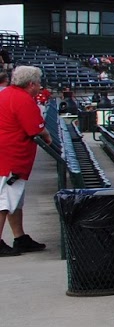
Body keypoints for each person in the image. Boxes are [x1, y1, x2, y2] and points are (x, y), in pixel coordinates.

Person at [0, 65, 54, 255]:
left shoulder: (7, 93)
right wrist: (48, 137)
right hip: (10, 157)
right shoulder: (22, 99)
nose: (40, 87)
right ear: (31, 84)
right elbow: (37, 129)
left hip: (7, 154)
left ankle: (20, 237)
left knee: (15, 200)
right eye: (38, 83)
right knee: (4, 201)